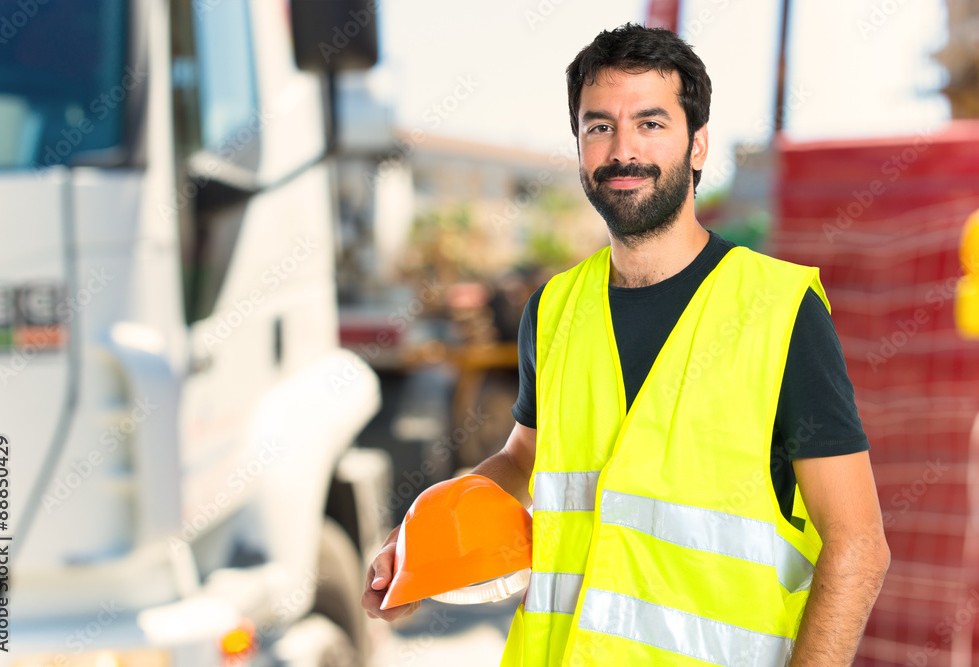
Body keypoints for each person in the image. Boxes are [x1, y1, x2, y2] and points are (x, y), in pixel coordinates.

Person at [362, 23, 889, 666]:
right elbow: (522, 461)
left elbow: (858, 546)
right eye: (599, 127)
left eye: (651, 123)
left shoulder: (779, 312)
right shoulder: (554, 309)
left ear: (697, 146)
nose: (623, 150)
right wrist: (424, 542)